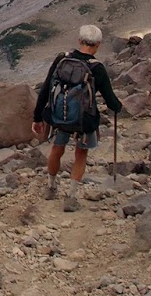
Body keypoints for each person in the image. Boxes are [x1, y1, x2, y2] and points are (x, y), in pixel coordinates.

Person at [31, 24, 122, 211]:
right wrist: (118, 107)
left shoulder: (61, 60)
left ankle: (51, 187)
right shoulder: (97, 68)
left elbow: (46, 88)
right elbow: (110, 99)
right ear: (98, 45)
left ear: (79, 41)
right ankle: (71, 197)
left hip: (59, 117)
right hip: (84, 120)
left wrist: (37, 117)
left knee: (57, 149)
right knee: (81, 154)